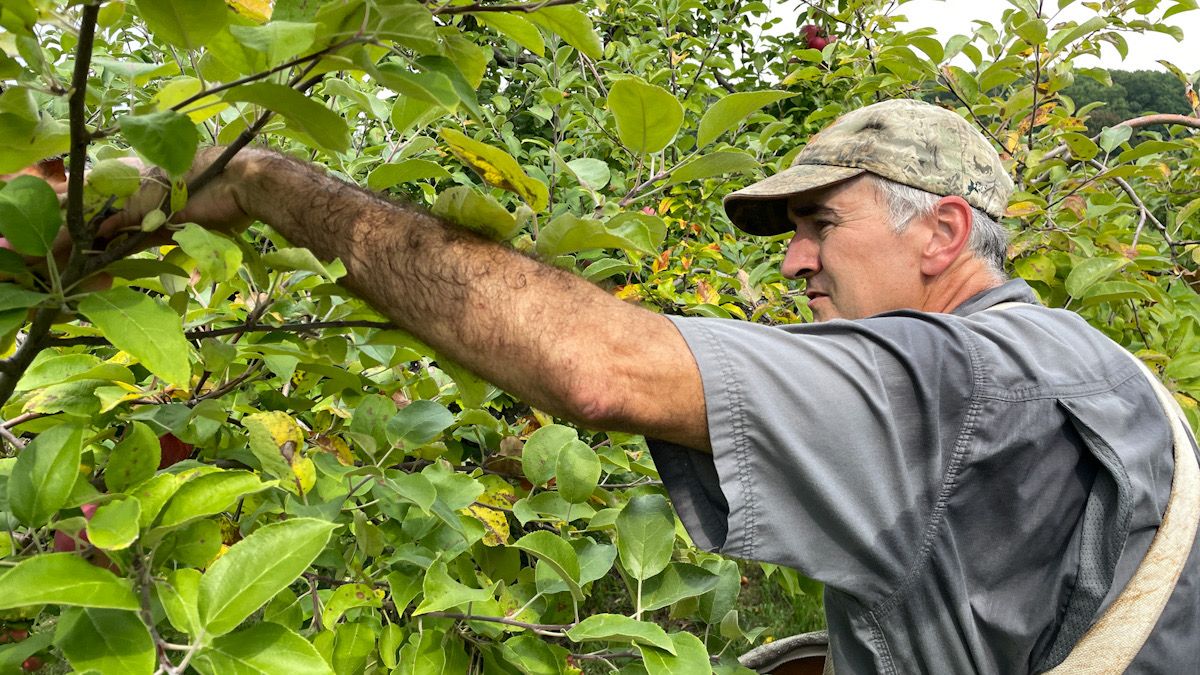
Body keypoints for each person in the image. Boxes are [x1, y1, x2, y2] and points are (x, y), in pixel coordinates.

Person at [107, 98, 1197, 672]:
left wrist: (264, 182)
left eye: (822, 223)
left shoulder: (946, 381)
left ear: (945, 231)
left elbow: (597, 368)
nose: (794, 261)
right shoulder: (1085, 362)